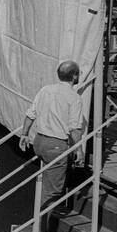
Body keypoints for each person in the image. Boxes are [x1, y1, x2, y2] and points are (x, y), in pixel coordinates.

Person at [19, 60, 85, 216]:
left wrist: (24, 133)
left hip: (39, 141)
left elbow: (30, 114)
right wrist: (80, 151)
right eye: (79, 73)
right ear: (74, 76)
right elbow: (75, 129)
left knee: (50, 178)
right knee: (52, 191)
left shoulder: (45, 90)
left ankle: (51, 211)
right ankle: (40, 229)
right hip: (56, 145)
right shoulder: (74, 98)